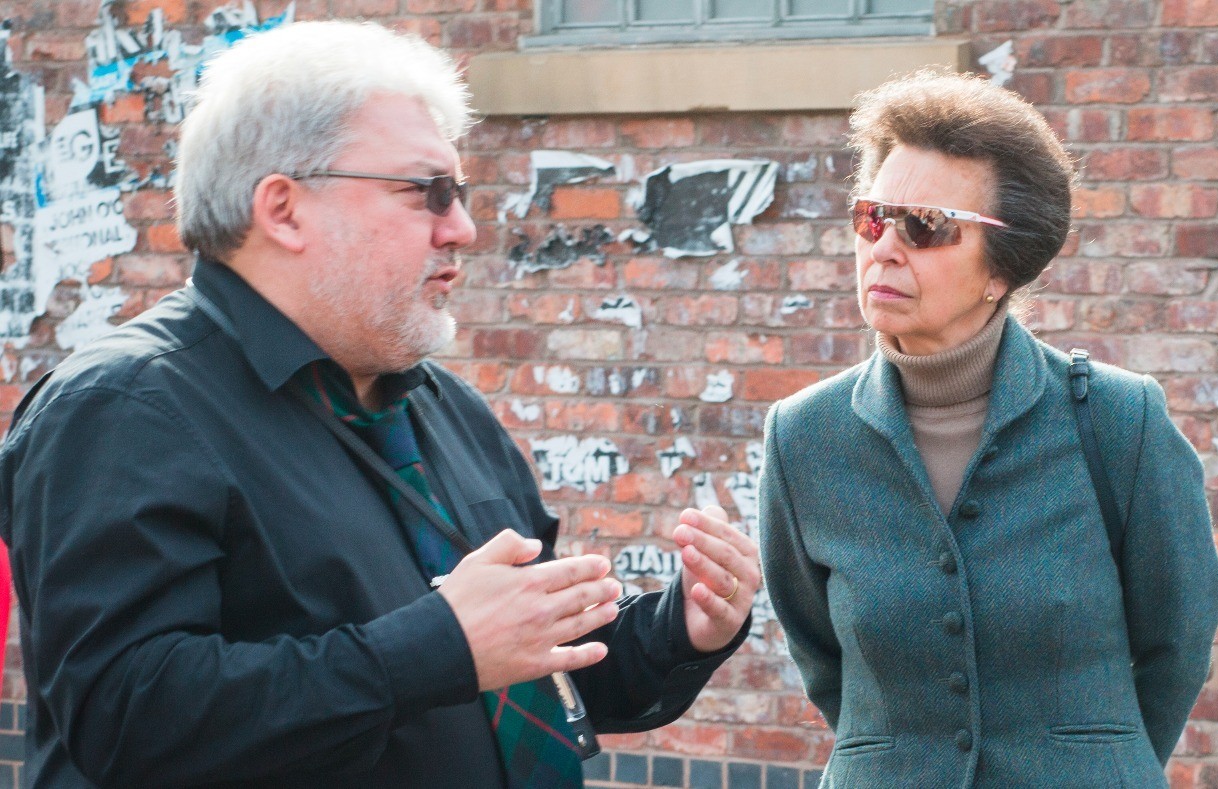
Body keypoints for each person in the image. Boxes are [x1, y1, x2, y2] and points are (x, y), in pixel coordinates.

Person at [0, 21, 761, 788]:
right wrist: (438, 648)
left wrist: (679, 629)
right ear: (284, 209)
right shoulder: (124, 407)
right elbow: (128, 718)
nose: (462, 228)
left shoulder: (442, 408)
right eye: (426, 192)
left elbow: (541, 674)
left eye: (459, 195)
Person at [757, 71, 1218, 788]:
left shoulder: (1119, 422)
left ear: (1001, 269)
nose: (884, 248)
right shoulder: (804, 437)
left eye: (927, 226)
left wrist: (1103, 764)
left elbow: (1177, 643)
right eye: (873, 217)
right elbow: (824, 660)